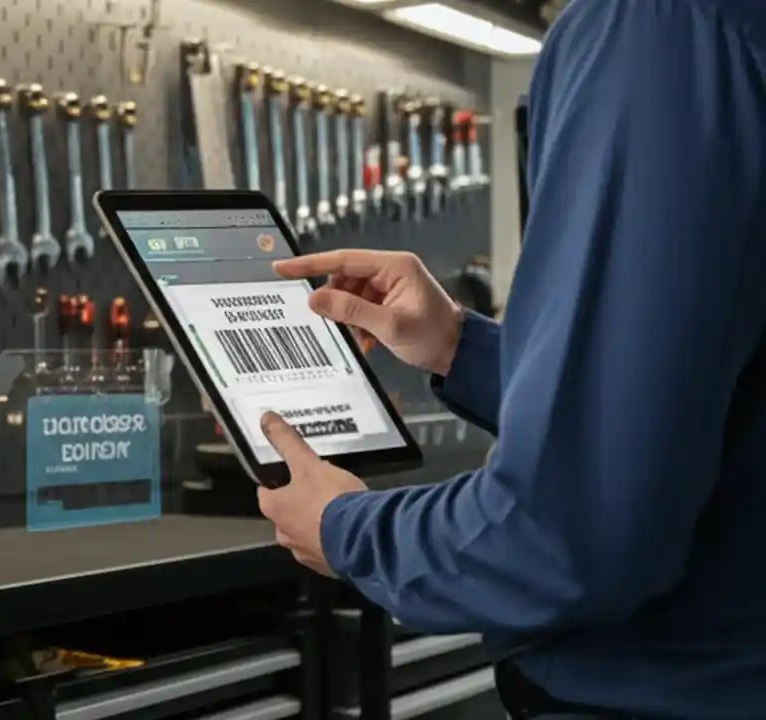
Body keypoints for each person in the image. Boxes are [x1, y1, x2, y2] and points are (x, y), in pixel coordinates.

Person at [255, 1, 766, 717]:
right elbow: (700, 402)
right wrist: (461, 349)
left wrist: (349, 530)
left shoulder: (660, 25)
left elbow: (573, 536)